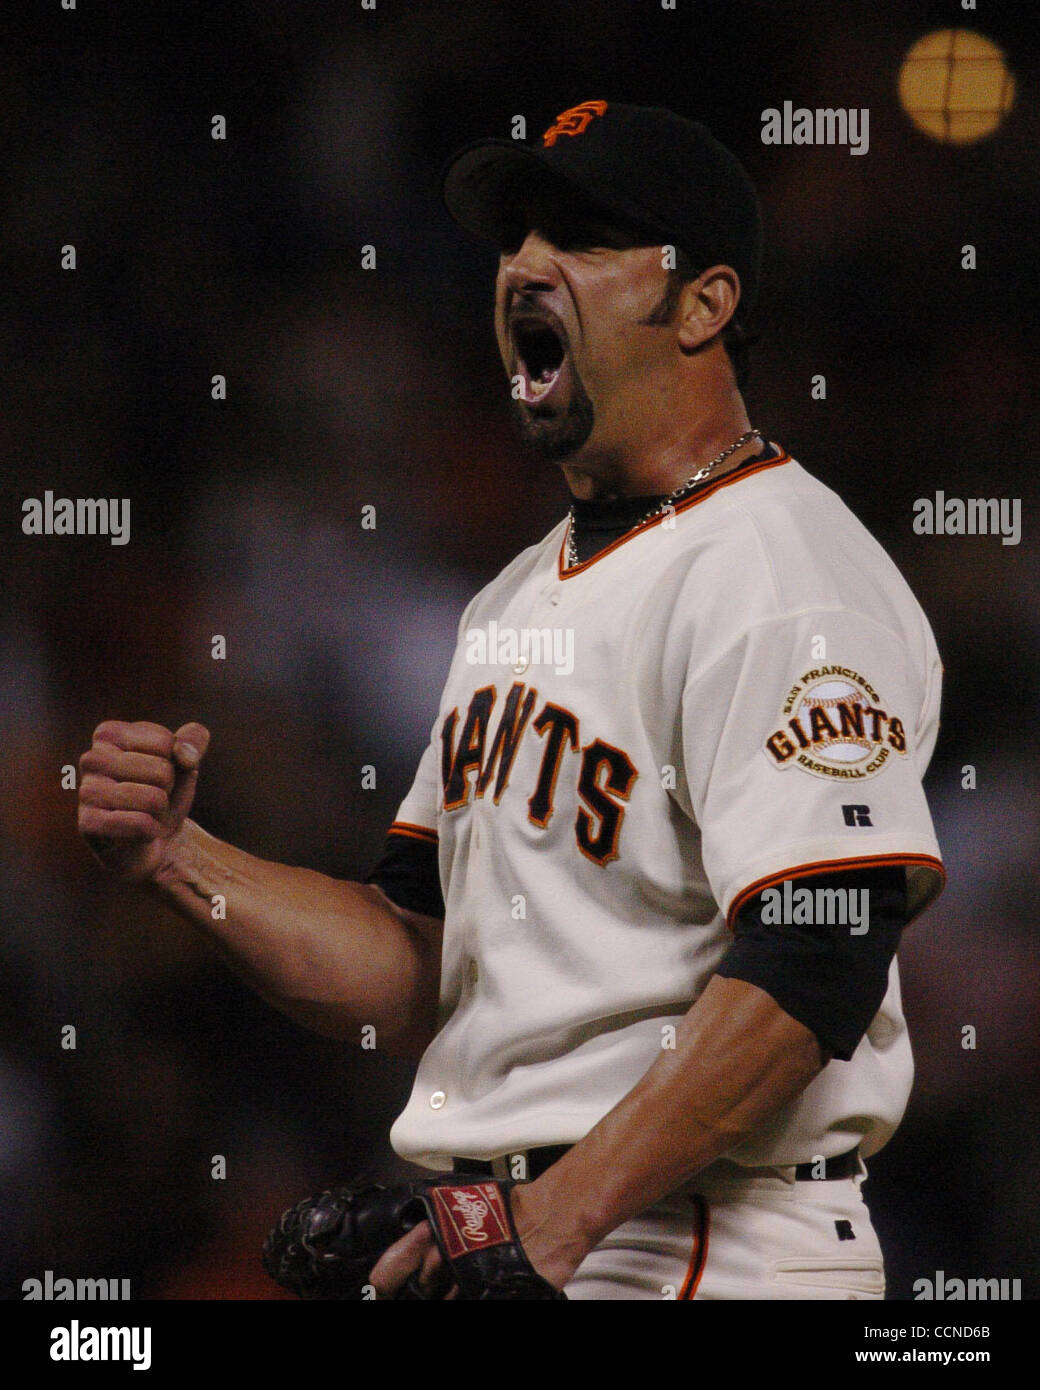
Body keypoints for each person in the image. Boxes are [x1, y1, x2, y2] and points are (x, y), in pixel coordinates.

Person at [78, 101, 945, 1300]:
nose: (526, 264)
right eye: (514, 238)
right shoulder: (511, 597)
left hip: (700, 1240)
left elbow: (821, 953)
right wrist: (181, 856)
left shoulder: (778, 568)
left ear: (705, 303)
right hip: (545, 1230)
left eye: (584, 236)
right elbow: (414, 961)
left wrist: (551, 1220)